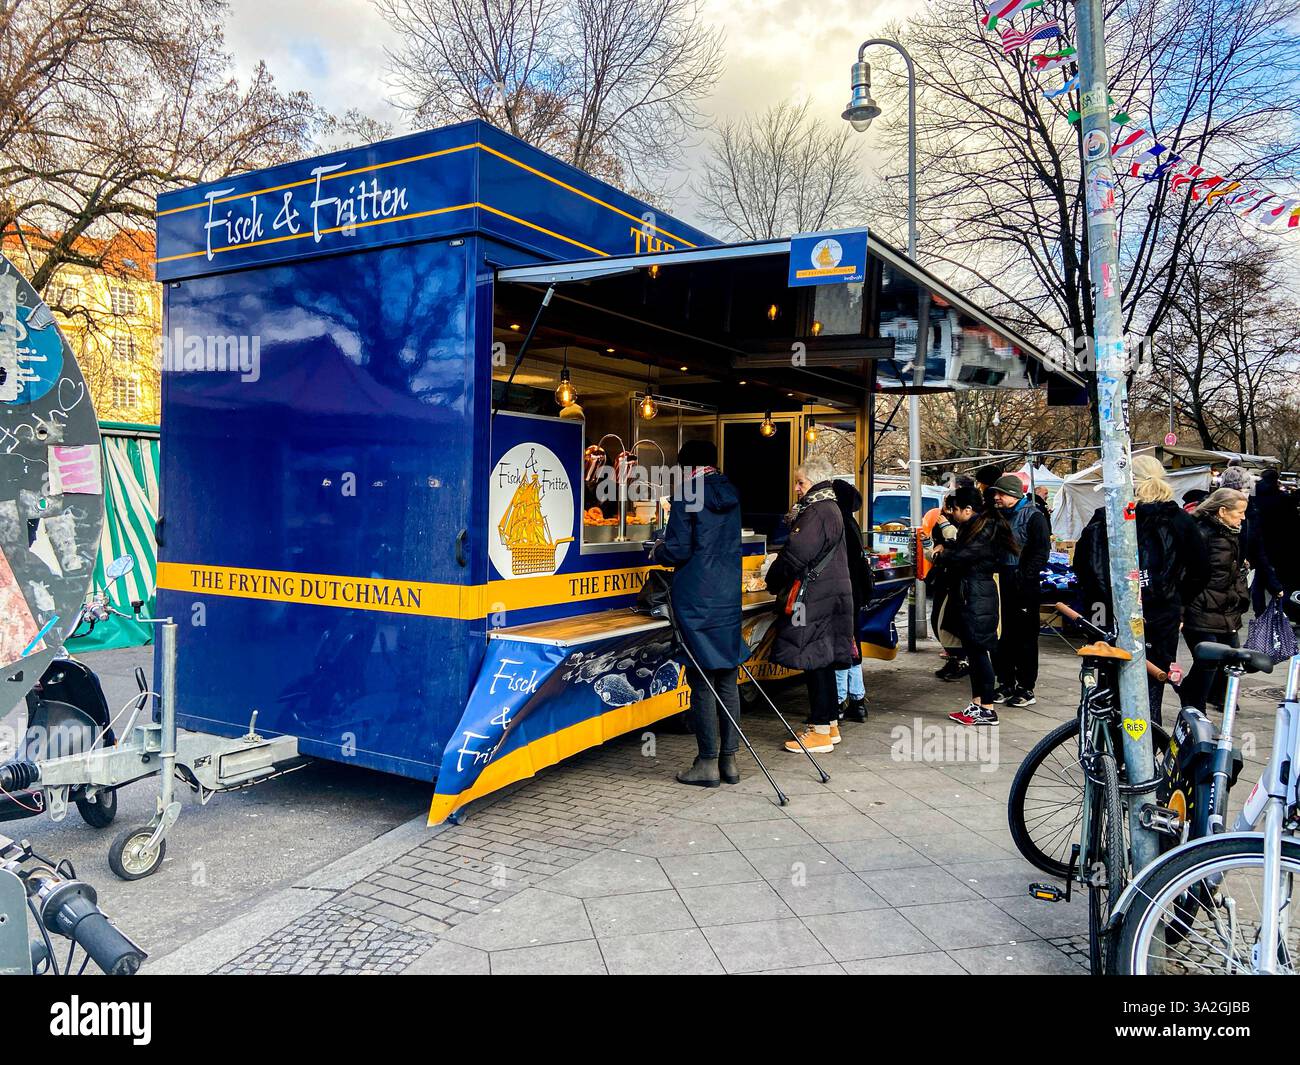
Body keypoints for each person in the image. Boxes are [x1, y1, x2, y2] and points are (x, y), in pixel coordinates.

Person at [1074, 454, 1210, 725]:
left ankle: (1107, 750)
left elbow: (1084, 565)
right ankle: (1144, 750)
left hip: (1108, 614)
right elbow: (1201, 570)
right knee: (1150, 688)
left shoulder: (1109, 516)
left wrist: (1097, 605)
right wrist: (1177, 602)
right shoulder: (1179, 520)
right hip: (1160, 616)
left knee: (1107, 685)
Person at [651, 439, 744, 788]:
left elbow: (678, 549)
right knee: (726, 676)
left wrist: (658, 548)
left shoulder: (688, 492)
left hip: (695, 596)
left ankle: (706, 764)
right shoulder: (731, 492)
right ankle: (729, 762)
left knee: (702, 681)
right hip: (726, 596)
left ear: (688, 466)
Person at [764, 455, 857, 754]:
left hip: (814, 598)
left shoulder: (816, 511)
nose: (796, 488)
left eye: (800, 482)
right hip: (832, 594)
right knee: (825, 659)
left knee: (814, 661)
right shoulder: (832, 508)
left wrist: (772, 580)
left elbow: (795, 555)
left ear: (814, 481)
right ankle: (829, 725)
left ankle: (818, 731)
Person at [934, 485, 1018, 726]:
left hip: (977, 595)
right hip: (973, 593)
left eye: (956, 510)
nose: (953, 514)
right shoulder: (977, 526)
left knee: (979, 652)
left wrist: (942, 554)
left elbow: (964, 556)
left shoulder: (983, 528)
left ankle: (987, 708)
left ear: (968, 509)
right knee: (975, 652)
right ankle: (978, 704)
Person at [1181, 487, 1250, 713]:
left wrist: (1240, 595)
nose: (1243, 517)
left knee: (1231, 658)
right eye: (1239, 512)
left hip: (1225, 609)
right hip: (1200, 608)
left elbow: (1233, 570)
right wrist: (1181, 611)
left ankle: (1205, 696)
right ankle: (1194, 707)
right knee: (1208, 660)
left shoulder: (1231, 532)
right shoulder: (1201, 533)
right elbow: (1185, 573)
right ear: (1222, 511)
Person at [990, 474, 1050, 708]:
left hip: (1023, 584)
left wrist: (1024, 576)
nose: (997, 497)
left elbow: (1040, 552)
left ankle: (1026, 687)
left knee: (1025, 636)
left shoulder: (1034, 516)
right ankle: (1005, 682)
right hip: (1001, 580)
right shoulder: (998, 516)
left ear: (1014, 495)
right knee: (1004, 636)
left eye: (1001, 494)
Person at [831, 477, 873, 723]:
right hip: (855, 594)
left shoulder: (839, 525)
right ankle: (857, 701)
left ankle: (839, 701)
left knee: (841, 647)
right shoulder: (852, 523)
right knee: (853, 646)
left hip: (843, 594)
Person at [1219, 466, 1284, 614]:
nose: (1245, 495)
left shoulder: (1251, 516)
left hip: (1237, 586)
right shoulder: (1210, 517)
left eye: (1248, 490)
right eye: (1243, 489)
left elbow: (1258, 551)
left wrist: (1274, 585)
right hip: (1213, 591)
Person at [928, 494, 968, 681]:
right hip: (944, 574)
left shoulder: (970, 525)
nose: (946, 507)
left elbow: (960, 543)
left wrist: (945, 527)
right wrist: (933, 546)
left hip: (957, 578)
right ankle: (954, 659)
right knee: (939, 618)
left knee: (950, 621)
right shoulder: (942, 519)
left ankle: (961, 660)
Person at [1255, 468, 1300, 596]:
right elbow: (1293, 522)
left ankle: (1260, 610)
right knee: (1282, 577)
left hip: (1263, 540)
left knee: (1260, 576)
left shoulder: (1256, 496)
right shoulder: (1283, 499)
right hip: (1283, 543)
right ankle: (1281, 605)